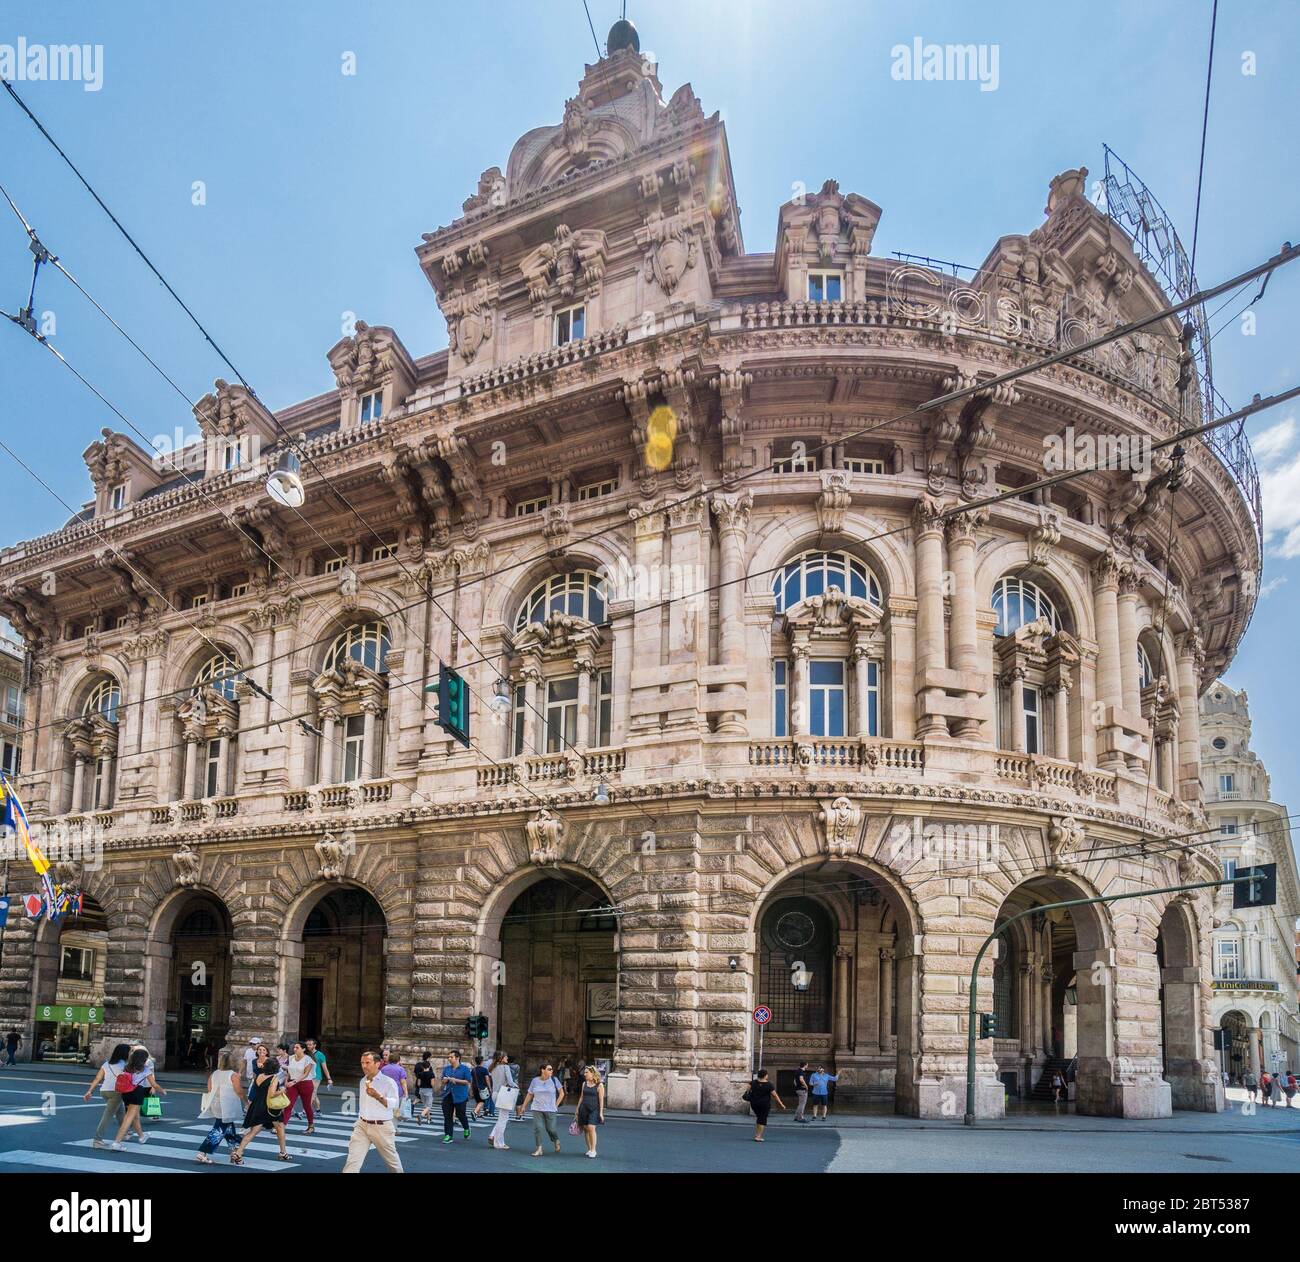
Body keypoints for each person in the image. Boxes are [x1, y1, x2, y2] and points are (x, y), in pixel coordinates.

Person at [342, 1049, 403, 1173]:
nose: (364, 1066)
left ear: (377, 1064)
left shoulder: (388, 1082)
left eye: (367, 1063)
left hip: (381, 1127)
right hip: (362, 1125)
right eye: (362, 1063)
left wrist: (378, 1096)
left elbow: (394, 1103)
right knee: (352, 1161)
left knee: (393, 1164)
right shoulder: (363, 1081)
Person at [231, 1043, 289, 1164]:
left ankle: (238, 1152)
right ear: (275, 1068)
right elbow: (272, 1094)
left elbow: (257, 1089)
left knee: (254, 1131)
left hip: (258, 1105)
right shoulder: (274, 1078)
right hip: (270, 1107)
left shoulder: (260, 1076)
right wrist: (281, 1091)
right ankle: (282, 1152)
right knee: (280, 1127)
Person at [195, 1049, 246, 1164]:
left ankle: (235, 1152)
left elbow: (209, 1088)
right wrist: (247, 1102)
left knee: (228, 1128)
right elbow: (239, 1091)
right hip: (227, 1105)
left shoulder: (215, 1073)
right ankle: (203, 1152)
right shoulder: (233, 1075)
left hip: (216, 1104)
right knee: (219, 1129)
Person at [109, 1047, 165, 1150]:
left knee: (134, 1116)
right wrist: (163, 1091)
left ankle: (142, 1137)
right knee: (128, 1118)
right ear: (143, 1060)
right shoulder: (145, 1070)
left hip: (126, 1093)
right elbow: (154, 1085)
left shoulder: (127, 1067)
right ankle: (117, 1142)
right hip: (137, 1092)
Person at [84, 1042, 130, 1149]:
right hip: (116, 1092)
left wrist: (89, 1091)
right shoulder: (124, 1065)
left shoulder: (106, 1064)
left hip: (104, 1091)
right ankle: (97, 1139)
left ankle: (125, 1132)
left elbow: (97, 1078)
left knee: (120, 1111)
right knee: (107, 1116)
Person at [517, 1060, 565, 1157]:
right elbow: (530, 1093)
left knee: (551, 1129)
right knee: (538, 1128)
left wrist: (556, 1104)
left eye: (552, 1069)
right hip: (537, 1108)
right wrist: (524, 1106)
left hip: (551, 1109)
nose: (551, 1071)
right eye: (549, 1069)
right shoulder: (535, 1081)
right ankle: (539, 1149)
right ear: (542, 1070)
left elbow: (562, 1093)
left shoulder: (554, 1080)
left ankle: (556, 1139)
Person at [439, 1049, 474, 1143]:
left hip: (460, 1095)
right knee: (447, 1116)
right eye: (448, 1057)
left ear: (457, 1058)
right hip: (448, 1094)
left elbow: (468, 1081)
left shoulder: (464, 1069)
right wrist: (445, 1080)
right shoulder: (447, 1068)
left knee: (460, 1114)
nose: (449, 1059)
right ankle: (448, 1135)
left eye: (451, 1057)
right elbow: (442, 1079)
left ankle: (466, 1127)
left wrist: (456, 1080)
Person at [574, 1064, 605, 1158]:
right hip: (583, 1109)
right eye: (585, 1072)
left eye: (587, 1072)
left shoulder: (600, 1085)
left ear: (593, 1073)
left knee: (591, 1128)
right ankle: (589, 1148)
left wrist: (601, 1113)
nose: (585, 1074)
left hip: (594, 1109)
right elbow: (581, 1097)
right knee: (586, 1130)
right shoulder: (584, 1084)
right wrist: (577, 1109)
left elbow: (601, 1100)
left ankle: (593, 1150)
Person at [285, 1042, 317, 1133]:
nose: (294, 1049)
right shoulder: (291, 1058)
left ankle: (311, 1125)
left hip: (305, 1083)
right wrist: (286, 1081)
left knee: (306, 1106)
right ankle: (282, 1126)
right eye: (294, 1047)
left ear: (303, 1049)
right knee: (288, 1105)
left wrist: (293, 1082)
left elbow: (305, 1074)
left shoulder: (308, 1059)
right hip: (292, 1083)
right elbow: (289, 1070)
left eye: (297, 1047)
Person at [488, 1052, 517, 1150]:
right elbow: (510, 1081)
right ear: (501, 1058)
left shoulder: (493, 1068)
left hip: (495, 1094)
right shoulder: (505, 1067)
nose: (507, 1058)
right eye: (506, 1056)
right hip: (503, 1093)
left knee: (502, 1118)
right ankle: (499, 1142)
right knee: (503, 1120)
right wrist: (516, 1087)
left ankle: (497, 1140)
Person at [746, 1069, 784, 1141]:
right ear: (765, 1075)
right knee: (762, 1120)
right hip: (764, 1104)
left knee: (759, 1118)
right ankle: (758, 1137)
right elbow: (775, 1095)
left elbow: (747, 1090)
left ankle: (757, 1134)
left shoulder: (752, 1083)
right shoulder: (769, 1085)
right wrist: (781, 1104)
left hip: (754, 1104)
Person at [380, 1050, 411, 1122]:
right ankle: (394, 1128)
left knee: (388, 1109)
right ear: (399, 1060)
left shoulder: (384, 1068)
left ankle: (387, 1124)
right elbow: (403, 1082)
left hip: (386, 1092)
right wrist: (406, 1093)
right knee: (396, 1111)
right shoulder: (401, 1069)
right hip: (398, 1092)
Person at [306, 1037, 333, 1114]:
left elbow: (325, 1068)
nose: (308, 1046)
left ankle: (305, 1111)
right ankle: (318, 1110)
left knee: (312, 1093)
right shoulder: (306, 1054)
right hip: (307, 1076)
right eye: (307, 1044)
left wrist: (329, 1079)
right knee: (314, 1095)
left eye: (310, 1045)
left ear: (315, 1045)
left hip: (316, 1077)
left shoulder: (320, 1055)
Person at [413, 1051, 436, 1125]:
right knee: (429, 1106)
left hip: (421, 1090)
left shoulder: (420, 1074)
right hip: (428, 1090)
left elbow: (419, 1083)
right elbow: (432, 1084)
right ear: (429, 1067)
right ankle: (421, 1115)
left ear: (422, 1067)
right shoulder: (431, 1073)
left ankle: (428, 1119)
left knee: (426, 1105)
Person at [471, 1054, 494, 1119]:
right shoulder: (484, 1070)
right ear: (482, 1061)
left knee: (478, 1100)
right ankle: (475, 1112)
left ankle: (478, 1114)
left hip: (474, 1087)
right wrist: (490, 1088)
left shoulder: (473, 1070)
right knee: (482, 1101)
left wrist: (471, 1089)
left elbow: (472, 1080)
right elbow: (487, 1079)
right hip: (482, 1087)